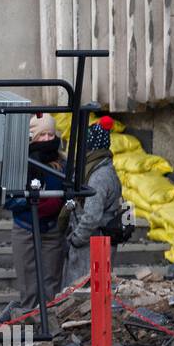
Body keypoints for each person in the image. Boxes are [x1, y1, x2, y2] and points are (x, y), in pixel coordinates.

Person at [2, 113, 68, 319]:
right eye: (42, 135)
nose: (48, 140)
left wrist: (58, 203)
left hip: (52, 229)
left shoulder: (63, 164)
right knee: (29, 286)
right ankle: (30, 331)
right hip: (25, 227)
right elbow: (8, 199)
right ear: (32, 137)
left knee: (51, 287)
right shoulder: (20, 164)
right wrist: (32, 202)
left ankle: (50, 329)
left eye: (50, 135)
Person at [62, 116, 123, 289]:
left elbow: (91, 217)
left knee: (82, 293)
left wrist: (75, 239)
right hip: (94, 243)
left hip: (91, 247)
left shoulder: (98, 177)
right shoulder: (100, 170)